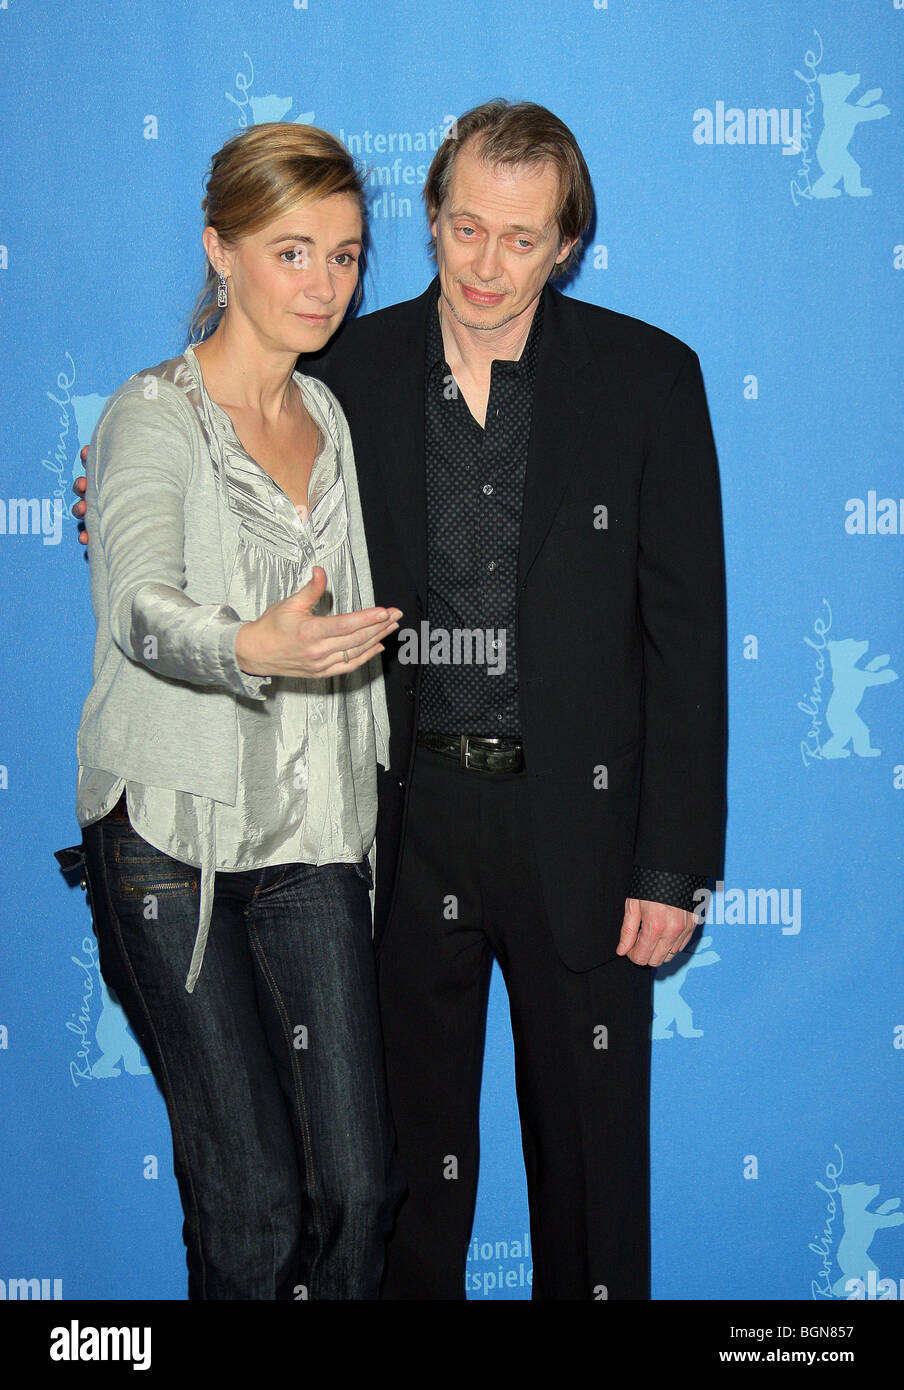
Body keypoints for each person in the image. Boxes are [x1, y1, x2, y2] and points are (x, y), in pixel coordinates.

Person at [75, 99, 726, 1301]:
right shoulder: (345, 381)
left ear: (567, 243)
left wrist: (672, 861)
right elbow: (214, 491)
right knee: (396, 1193)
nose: (487, 265)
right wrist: (114, 502)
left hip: (583, 830)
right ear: (429, 219)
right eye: (465, 228)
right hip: (399, 826)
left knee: (592, 1181)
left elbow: (685, 643)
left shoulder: (649, 379)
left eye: (521, 239)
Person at [58, 121, 404, 1300]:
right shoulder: (149, 414)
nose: (325, 284)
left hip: (313, 838)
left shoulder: (333, 418)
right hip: (172, 834)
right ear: (221, 251)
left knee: (359, 1190)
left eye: (348, 256)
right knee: (251, 1210)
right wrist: (252, 643)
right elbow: (140, 604)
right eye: (293, 251)